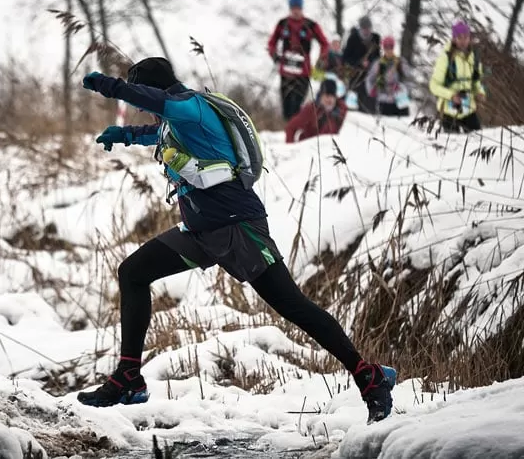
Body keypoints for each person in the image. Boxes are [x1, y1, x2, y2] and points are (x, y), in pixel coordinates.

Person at [76, 56, 396, 424]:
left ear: (155, 88)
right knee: (132, 272)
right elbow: (157, 133)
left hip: (237, 228)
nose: (141, 109)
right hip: (201, 232)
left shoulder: (189, 106)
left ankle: (368, 377)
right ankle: (128, 378)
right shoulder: (178, 119)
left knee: (293, 306)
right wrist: (126, 136)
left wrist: (106, 84)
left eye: (141, 99)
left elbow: (152, 104)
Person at [268, 0, 329, 121]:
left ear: (302, 8)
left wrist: (321, 61)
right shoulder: (283, 23)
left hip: (303, 72)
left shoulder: (311, 25)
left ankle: (296, 135)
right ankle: (287, 133)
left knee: (297, 105)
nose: (295, 11)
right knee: (287, 107)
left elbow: (325, 44)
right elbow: (271, 43)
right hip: (286, 72)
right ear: (290, 8)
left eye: (298, 8)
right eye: (293, 8)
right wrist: (275, 56)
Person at [429, 21, 486, 133]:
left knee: (477, 141)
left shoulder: (474, 58)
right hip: (449, 111)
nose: (463, 40)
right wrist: (451, 95)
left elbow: (476, 82)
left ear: (469, 38)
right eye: (459, 37)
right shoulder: (446, 57)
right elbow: (433, 86)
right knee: (452, 146)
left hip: (468, 109)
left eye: (466, 37)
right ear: (454, 39)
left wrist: (480, 93)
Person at [285, 79, 347, 143]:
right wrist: (291, 148)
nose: (329, 100)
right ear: (321, 96)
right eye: (327, 96)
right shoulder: (310, 109)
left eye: (332, 96)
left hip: (331, 148)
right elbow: (291, 127)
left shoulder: (341, 110)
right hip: (309, 147)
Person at [365, 36, 412, 117]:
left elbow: (410, 80)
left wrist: (402, 88)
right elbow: (369, 79)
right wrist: (372, 90)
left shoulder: (401, 62)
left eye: (391, 46)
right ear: (383, 48)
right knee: (384, 126)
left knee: (402, 127)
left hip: (400, 102)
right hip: (383, 102)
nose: (388, 49)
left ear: (393, 47)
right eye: (386, 47)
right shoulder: (378, 63)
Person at [343, 16, 381, 113]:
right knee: (359, 100)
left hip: (370, 75)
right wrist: (359, 63)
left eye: (368, 28)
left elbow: (377, 57)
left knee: (371, 100)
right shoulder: (353, 38)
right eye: (364, 29)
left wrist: (371, 63)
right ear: (360, 28)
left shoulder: (375, 39)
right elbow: (346, 58)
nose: (366, 31)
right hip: (356, 75)